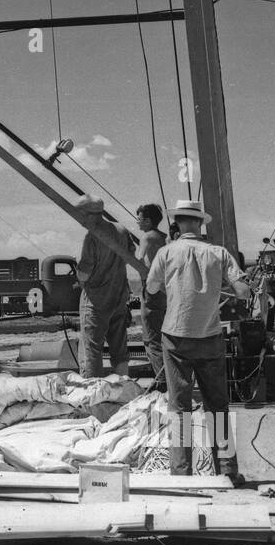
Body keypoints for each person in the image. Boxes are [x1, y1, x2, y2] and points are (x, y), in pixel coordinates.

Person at [145, 200, 251, 483]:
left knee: (179, 409)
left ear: (177, 223)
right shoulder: (218, 253)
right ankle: (227, 471)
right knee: (217, 407)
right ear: (201, 224)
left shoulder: (166, 252)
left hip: (176, 337)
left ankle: (182, 474)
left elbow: (152, 287)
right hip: (210, 336)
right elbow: (243, 291)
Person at [74, 196, 146, 379]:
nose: (79, 220)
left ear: (89, 215)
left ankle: (92, 393)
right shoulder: (120, 229)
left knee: (91, 350)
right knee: (119, 348)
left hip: (96, 301)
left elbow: (84, 272)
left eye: (80, 215)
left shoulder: (92, 237)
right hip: (119, 297)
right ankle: (123, 386)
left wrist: (79, 279)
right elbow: (131, 255)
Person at [136, 202, 169, 391]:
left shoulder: (147, 237)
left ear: (147, 220)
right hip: (164, 290)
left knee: (151, 339)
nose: (137, 222)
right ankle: (165, 376)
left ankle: (162, 380)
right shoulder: (162, 237)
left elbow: (139, 260)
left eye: (139, 218)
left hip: (151, 291)